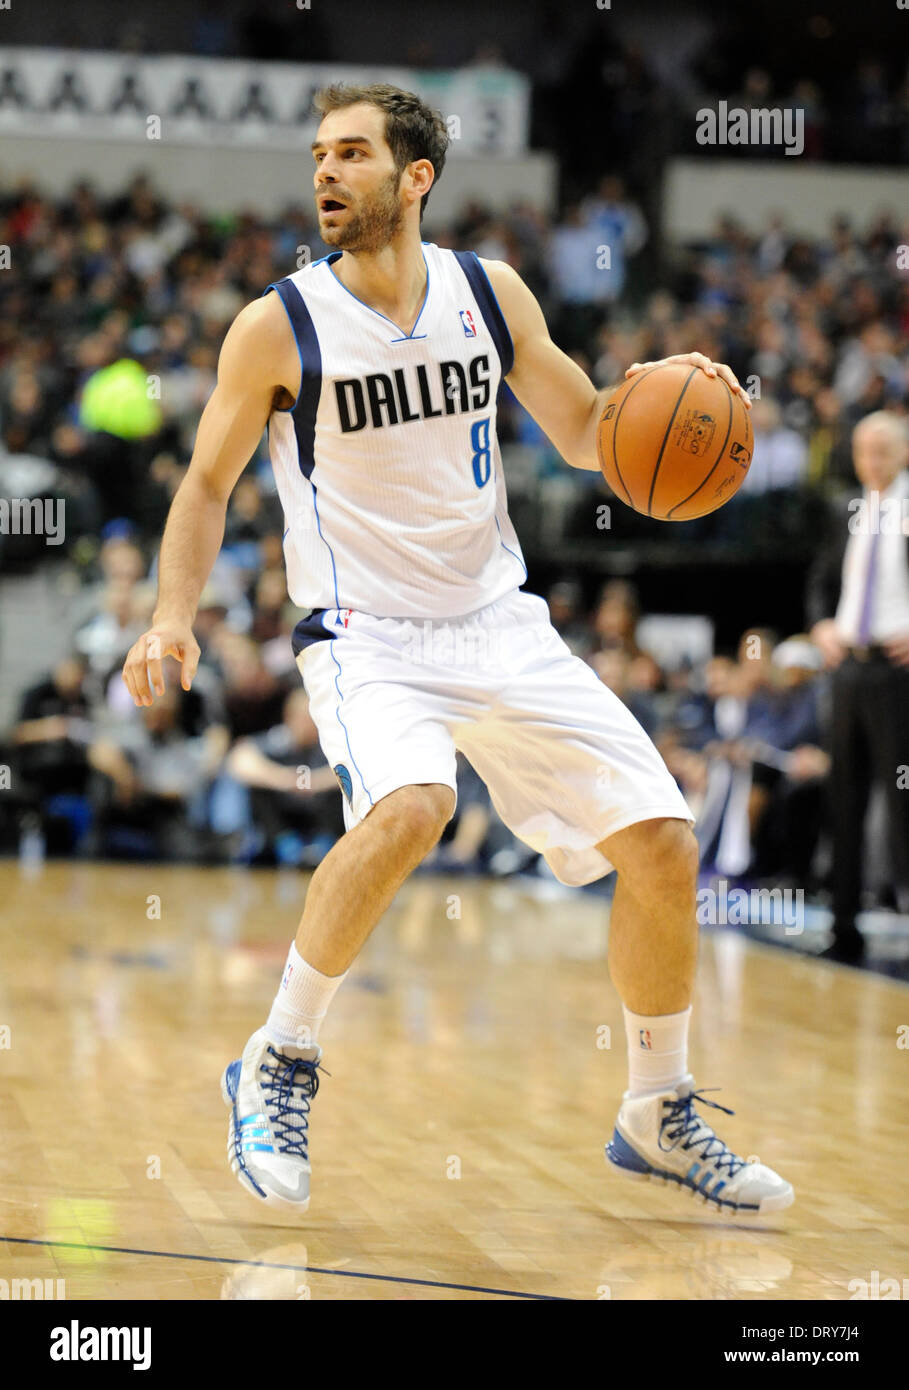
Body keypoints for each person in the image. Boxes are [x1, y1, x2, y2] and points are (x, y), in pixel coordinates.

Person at [122, 83, 792, 1216]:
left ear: (416, 176)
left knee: (668, 846)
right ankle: (278, 1055)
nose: (327, 172)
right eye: (318, 152)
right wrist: (170, 615)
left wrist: (683, 394)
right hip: (366, 632)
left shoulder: (491, 292)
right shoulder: (278, 324)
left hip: (498, 620)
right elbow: (205, 483)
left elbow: (587, 432)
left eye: (352, 153)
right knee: (415, 807)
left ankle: (655, 1107)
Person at [808, 411, 909, 962]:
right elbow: (822, 580)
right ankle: (842, 929)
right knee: (842, 800)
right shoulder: (846, 509)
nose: (870, 459)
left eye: (882, 449)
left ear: (902, 453)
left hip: (897, 671)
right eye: (863, 449)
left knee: (902, 803)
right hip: (848, 667)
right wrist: (823, 624)